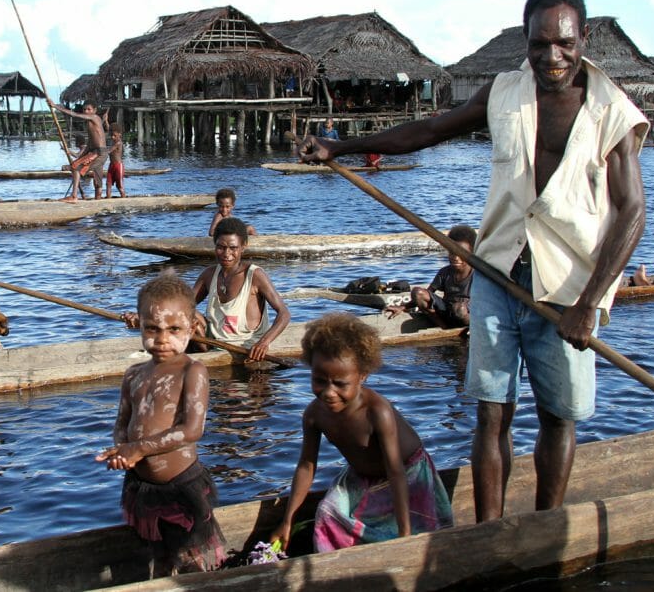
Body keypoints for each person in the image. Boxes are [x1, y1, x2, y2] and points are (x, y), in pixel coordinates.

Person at [300, 0, 649, 522]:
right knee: (492, 412)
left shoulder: (612, 111)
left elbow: (631, 213)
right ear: (525, 40)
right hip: (498, 272)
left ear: (583, 39)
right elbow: (431, 128)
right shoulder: (504, 92)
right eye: (538, 45)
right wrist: (340, 146)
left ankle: (545, 526)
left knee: (559, 416)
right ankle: (487, 533)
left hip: (569, 288)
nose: (551, 58)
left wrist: (591, 302)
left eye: (563, 44)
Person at [271, 313, 453, 552]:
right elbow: (306, 465)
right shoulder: (314, 415)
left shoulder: (377, 412)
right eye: (319, 380)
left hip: (407, 475)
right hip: (361, 477)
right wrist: (287, 521)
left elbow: (395, 471)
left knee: (418, 533)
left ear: (362, 376)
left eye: (340, 384)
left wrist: (404, 532)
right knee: (327, 512)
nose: (328, 392)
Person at [95, 273, 226, 575]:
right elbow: (122, 423)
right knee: (158, 554)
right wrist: (120, 453)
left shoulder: (192, 371)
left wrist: (138, 448)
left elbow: (193, 430)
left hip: (181, 486)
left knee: (192, 557)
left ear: (192, 329)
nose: (162, 338)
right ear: (138, 324)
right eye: (151, 328)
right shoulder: (133, 374)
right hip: (142, 488)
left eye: (174, 329)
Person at [192, 217, 289, 362]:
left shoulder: (255, 275)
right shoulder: (209, 274)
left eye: (233, 248)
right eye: (221, 247)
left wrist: (264, 343)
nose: (226, 254)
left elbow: (284, 313)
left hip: (245, 347)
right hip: (214, 342)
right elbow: (184, 304)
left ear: (243, 247)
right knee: (185, 311)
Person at [386, 224, 477, 329]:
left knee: (459, 308)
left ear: (471, 253)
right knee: (417, 292)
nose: (455, 258)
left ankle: (470, 328)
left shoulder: (477, 275)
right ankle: (443, 327)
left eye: (460, 253)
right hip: (447, 311)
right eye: (452, 252)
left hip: (468, 314)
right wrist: (403, 307)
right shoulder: (445, 272)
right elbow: (428, 294)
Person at [49, 101, 108, 201]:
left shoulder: (95, 117)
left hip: (100, 153)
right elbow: (90, 144)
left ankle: (74, 196)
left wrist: (55, 106)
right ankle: (98, 201)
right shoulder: (90, 124)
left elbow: (74, 114)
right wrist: (80, 158)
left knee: (76, 169)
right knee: (97, 180)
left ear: (94, 110)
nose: (86, 111)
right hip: (97, 153)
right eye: (84, 109)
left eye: (89, 109)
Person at [105, 123, 126, 199]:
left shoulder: (118, 142)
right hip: (111, 165)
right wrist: (106, 121)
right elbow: (109, 129)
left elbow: (110, 150)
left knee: (119, 185)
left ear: (119, 134)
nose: (113, 137)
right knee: (108, 184)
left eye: (114, 136)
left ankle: (123, 198)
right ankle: (108, 198)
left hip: (118, 166)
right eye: (112, 136)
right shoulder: (114, 139)